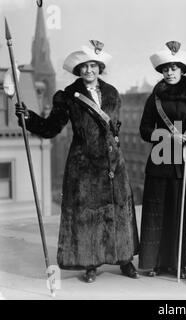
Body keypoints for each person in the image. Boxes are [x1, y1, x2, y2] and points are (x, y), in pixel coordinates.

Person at [15, 41, 139, 283]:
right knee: (87, 214)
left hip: (113, 163)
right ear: (78, 69)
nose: (89, 70)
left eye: (93, 65)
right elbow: (51, 128)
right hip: (84, 164)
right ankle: (90, 263)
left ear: (99, 67)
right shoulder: (67, 96)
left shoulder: (113, 92)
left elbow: (115, 127)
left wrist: (114, 151)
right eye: (84, 66)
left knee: (119, 211)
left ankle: (125, 259)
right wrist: (28, 118)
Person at [138, 41, 186, 278]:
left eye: (174, 68)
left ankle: (181, 263)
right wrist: (166, 136)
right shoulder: (155, 98)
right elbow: (144, 130)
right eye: (165, 69)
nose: (169, 73)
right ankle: (156, 263)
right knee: (158, 211)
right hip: (160, 163)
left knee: (181, 211)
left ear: (182, 69)